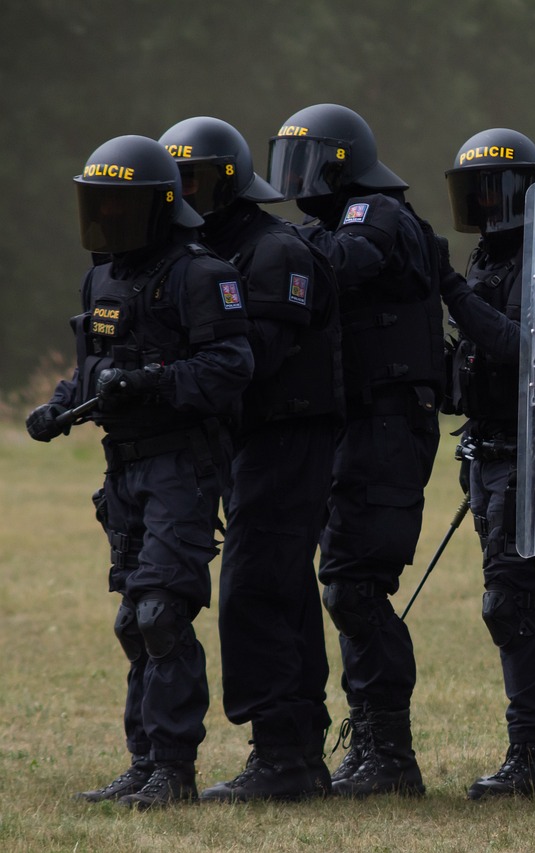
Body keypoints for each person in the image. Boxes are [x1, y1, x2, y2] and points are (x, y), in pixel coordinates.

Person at [26, 135, 254, 807]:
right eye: (99, 204)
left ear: (159, 207)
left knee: (162, 612)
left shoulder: (201, 273)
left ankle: (174, 771)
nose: (106, 218)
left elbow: (232, 365)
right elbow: (90, 367)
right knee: (133, 619)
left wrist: (152, 381)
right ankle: (143, 759)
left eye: (120, 206)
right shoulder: (101, 276)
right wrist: (58, 407)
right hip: (121, 472)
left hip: (181, 467)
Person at [157, 116, 342, 802]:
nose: (185, 192)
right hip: (249, 442)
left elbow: (255, 360)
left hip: (290, 437)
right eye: (176, 181)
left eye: (196, 179)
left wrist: (176, 374)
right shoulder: (205, 252)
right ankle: (293, 751)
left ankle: (283, 755)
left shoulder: (274, 252)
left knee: (256, 587)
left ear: (230, 182)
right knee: (280, 587)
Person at [266, 103, 446, 797]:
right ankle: (374, 745)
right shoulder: (324, 225)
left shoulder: (376, 215)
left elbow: (342, 265)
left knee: (356, 583)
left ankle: (389, 755)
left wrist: (268, 254)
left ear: (341, 161)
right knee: (343, 581)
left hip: (389, 424)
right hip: (355, 424)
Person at [438, 128, 535, 799]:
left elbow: (518, 345)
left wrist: (449, 291)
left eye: (496, 189)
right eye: (475, 191)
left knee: (513, 605)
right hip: (491, 450)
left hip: (530, 456)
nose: (485, 204)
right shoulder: (489, 261)